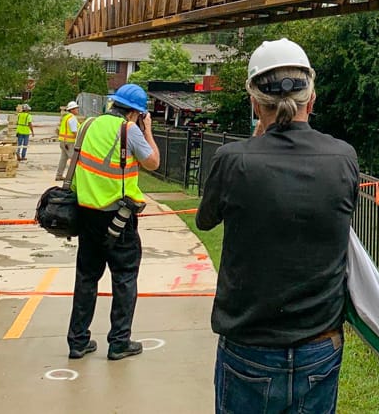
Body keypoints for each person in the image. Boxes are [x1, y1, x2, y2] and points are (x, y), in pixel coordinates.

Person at [197, 38, 359, 414]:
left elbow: (205, 220)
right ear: (311, 99)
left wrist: (255, 144)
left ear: (255, 103)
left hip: (249, 345)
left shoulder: (233, 160)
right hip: (320, 344)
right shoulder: (343, 157)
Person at [67, 83, 159, 362]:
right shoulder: (129, 130)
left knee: (86, 278)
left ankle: (78, 342)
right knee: (124, 278)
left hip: (87, 215)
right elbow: (153, 162)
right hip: (119, 219)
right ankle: (119, 342)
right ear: (136, 113)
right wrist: (149, 131)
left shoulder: (88, 125)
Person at [54, 100, 81, 182]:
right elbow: (74, 131)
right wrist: (79, 140)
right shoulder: (72, 118)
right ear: (72, 110)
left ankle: (59, 175)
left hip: (63, 142)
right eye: (76, 108)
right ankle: (73, 177)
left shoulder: (66, 117)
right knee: (74, 160)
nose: (77, 110)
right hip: (69, 142)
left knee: (63, 159)